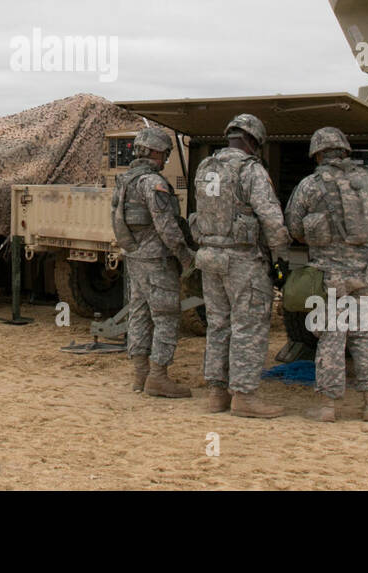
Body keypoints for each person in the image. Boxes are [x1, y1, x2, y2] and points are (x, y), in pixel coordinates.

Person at [285, 126, 368, 423]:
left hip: (329, 277)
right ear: (345, 151)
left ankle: (327, 407)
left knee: (331, 340)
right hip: (365, 274)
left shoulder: (310, 185)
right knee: (366, 339)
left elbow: (293, 226)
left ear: (318, 153)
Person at [191, 114, 290, 418]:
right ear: (253, 141)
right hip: (243, 262)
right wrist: (281, 258)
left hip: (210, 259)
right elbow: (271, 219)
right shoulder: (251, 170)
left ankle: (216, 394)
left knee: (219, 326)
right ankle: (244, 397)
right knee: (248, 326)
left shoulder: (205, 167)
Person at [111, 126, 197, 397]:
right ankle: (159, 377)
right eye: (165, 155)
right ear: (156, 153)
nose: (165, 160)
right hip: (156, 260)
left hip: (135, 257)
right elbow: (167, 227)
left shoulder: (125, 181)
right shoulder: (152, 183)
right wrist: (185, 257)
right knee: (166, 316)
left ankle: (140, 376)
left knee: (139, 314)